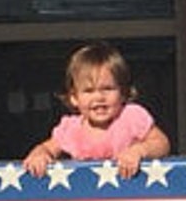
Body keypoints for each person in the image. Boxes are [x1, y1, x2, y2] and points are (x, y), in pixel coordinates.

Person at [22, 41, 171, 179]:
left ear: (123, 93)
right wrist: (39, 155)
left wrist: (138, 151)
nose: (99, 97)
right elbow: (46, 148)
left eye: (107, 88)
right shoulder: (71, 129)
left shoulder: (130, 116)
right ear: (74, 98)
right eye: (88, 91)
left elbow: (162, 143)